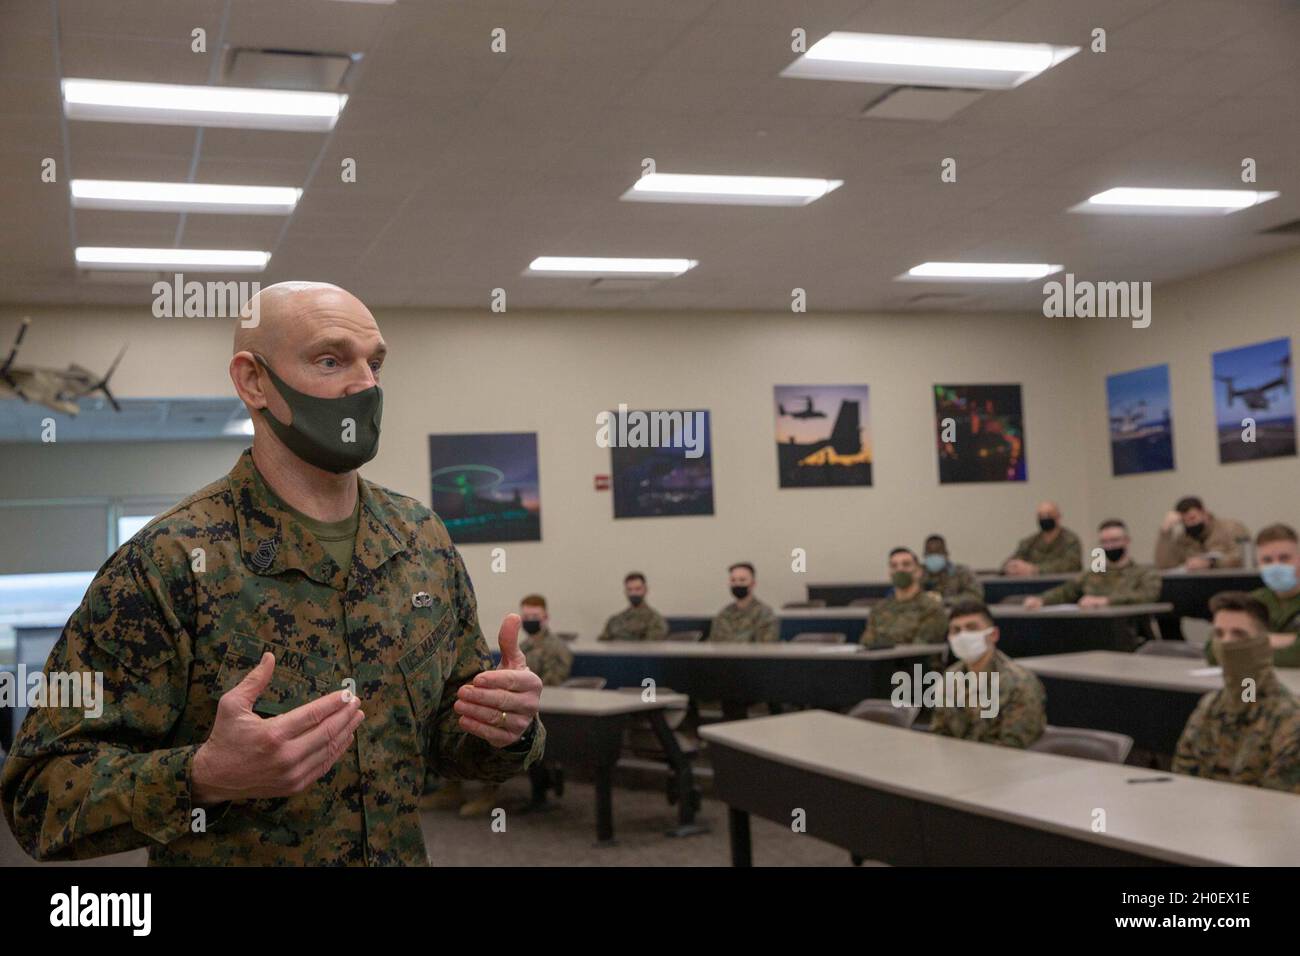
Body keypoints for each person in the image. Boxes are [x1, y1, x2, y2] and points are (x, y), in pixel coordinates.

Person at [1, 282, 544, 865]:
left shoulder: (421, 541)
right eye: (331, 360)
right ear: (253, 381)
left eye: (375, 362)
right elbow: (41, 797)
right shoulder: (167, 562)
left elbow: (448, 740)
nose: (365, 384)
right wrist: (204, 776)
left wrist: (506, 726)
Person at [1172, 592, 1300, 793]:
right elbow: (1184, 777)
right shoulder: (1210, 706)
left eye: (1239, 634)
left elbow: (1280, 803)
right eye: (1219, 634)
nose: (1227, 643)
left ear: (1263, 643)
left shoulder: (1290, 718)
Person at [929, 600, 1046, 749]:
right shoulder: (950, 678)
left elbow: (1013, 747)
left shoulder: (1020, 683)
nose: (963, 636)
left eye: (972, 628)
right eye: (956, 630)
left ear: (993, 635)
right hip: (955, 764)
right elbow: (939, 734)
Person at [1204, 524, 1300, 668]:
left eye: (1284, 558)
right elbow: (1212, 651)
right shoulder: (1252, 601)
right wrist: (1283, 640)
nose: (1276, 566)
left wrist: (1246, 644)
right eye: (1267, 560)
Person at [1024, 520, 1162, 609]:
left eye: (1114, 540)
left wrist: (1106, 601)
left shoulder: (1145, 573)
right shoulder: (1094, 573)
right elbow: (1066, 591)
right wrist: (1041, 600)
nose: (1109, 546)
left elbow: (1147, 595)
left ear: (1126, 541)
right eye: (1104, 542)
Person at [861, 548, 948, 648]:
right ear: (889, 573)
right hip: (883, 662)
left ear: (918, 571)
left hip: (918, 663)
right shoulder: (879, 609)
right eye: (894, 566)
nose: (900, 569)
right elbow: (867, 643)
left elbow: (921, 651)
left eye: (906, 564)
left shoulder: (931, 608)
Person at [1155, 496, 1249, 570]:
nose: (1189, 524)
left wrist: (1211, 563)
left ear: (1204, 513)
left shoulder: (1231, 528)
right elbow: (1165, 566)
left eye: (1192, 518)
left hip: (1232, 583)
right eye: (1184, 521)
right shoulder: (1183, 538)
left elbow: (1245, 557)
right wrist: (1165, 532)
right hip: (1197, 585)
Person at [1002, 501, 1082, 576]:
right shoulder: (1030, 542)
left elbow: (1071, 565)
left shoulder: (1070, 541)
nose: (1044, 518)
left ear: (1058, 517)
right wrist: (1011, 567)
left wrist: (1035, 570)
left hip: (1064, 586)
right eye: (1041, 515)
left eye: (1048, 514)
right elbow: (1014, 559)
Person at [709, 563, 778, 643]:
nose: (737, 584)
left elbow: (766, 647)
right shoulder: (724, 614)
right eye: (733, 580)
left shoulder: (765, 614)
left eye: (742, 580)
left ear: (753, 584)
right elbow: (714, 643)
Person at [598, 572, 668, 642]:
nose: (633, 593)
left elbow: (649, 647)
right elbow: (602, 642)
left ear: (645, 590)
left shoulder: (655, 620)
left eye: (638, 589)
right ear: (625, 592)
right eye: (629, 590)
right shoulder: (615, 620)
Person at [920, 534, 983, 604]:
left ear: (946, 553)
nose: (934, 556)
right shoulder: (918, 573)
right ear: (924, 555)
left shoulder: (961, 572)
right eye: (930, 553)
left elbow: (975, 595)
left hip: (955, 611)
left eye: (938, 552)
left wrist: (948, 601)